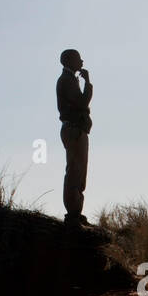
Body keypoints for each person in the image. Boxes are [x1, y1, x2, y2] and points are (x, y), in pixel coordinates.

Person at [56, 48, 92, 224]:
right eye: (78, 59)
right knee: (75, 172)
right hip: (74, 130)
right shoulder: (66, 80)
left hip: (76, 130)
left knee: (78, 172)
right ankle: (72, 214)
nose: (82, 62)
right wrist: (89, 84)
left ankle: (76, 212)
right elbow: (82, 102)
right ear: (69, 61)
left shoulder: (70, 79)